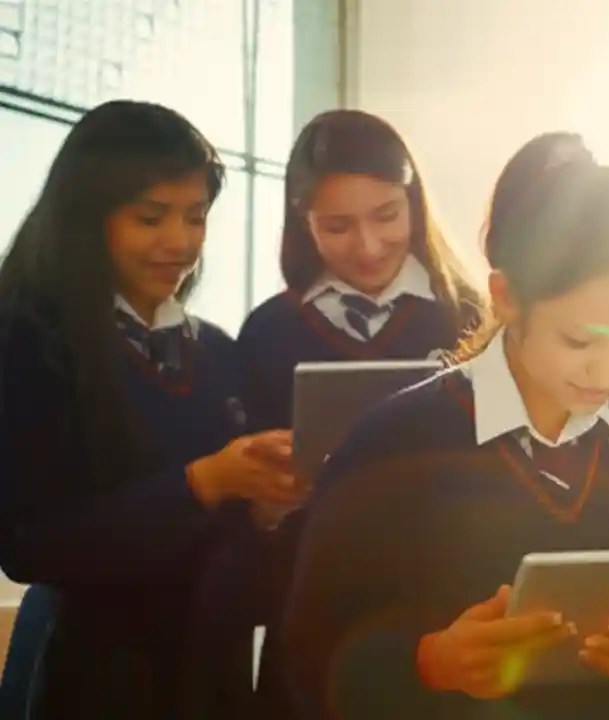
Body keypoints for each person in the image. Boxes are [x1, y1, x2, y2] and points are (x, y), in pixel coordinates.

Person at [282, 155, 609, 719]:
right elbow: (302, 663)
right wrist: (429, 664)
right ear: (504, 297)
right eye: (578, 341)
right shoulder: (393, 442)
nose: (608, 372)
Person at [0, 100, 300, 719]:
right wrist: (201, 484)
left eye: (196, 218)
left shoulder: (216, 351)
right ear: (88, 219)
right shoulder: (30, 340)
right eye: (150, 218)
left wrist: (267, 507)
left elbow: (232, 542)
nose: (180, 242)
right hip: (90, 681)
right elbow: (31, 545)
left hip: (208, 674)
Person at [235, 109, 483, 719]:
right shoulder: (270, 331)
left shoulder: (469, 317)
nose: (369, 246)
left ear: (415, 205)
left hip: (450, 604)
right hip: (316, 607)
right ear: (303, 223)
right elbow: (247, 495)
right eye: (337, 226)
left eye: (387, 216)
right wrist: (264, 502)